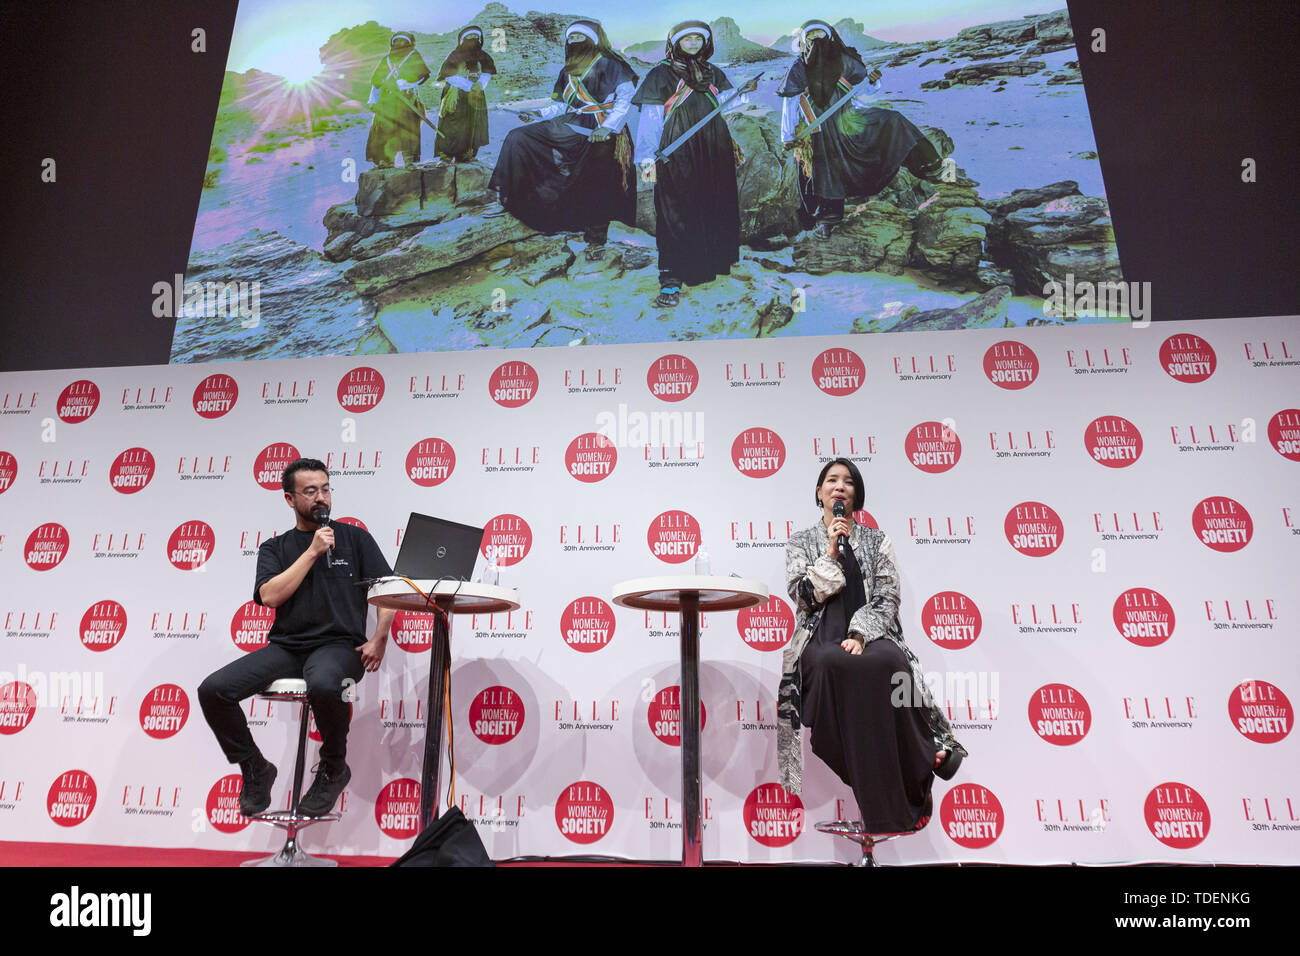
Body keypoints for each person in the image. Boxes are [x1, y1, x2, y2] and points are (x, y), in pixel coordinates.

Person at [198, 459, 395, 817]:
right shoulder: (276, 548)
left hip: (339, 647)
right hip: (288, 648)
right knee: (213, 689)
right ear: (290, 499)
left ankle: (334, 765)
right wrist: (312, 552)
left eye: (325, 489)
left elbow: (387, 591)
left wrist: (380, 637)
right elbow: (271, 596)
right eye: (310, 492)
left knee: (322, 682)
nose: (321, 498)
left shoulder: (355, 538)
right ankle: (255, 767)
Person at [777, 458, 966, 833]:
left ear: (856, 496)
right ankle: (912, 766)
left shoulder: (878, 541)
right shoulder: (800, 542)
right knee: (832, 662)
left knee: (893, 662)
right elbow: (803, 596)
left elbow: (887, 596)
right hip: (821, 639)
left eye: (848, 482)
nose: (839, 487)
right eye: (831, 480)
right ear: (819, 493)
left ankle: (924, 755)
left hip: (872, 638)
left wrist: (861, 634)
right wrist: (831, 553)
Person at [777, 20, 946, 239]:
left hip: (848, 118)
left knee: (892, 120)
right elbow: (790, 101)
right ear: (803, 42)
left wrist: (872, 82)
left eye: (821, 37)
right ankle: (828, 219)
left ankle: (928, 165)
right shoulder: (799, 68)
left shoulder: (845, 61)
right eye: (811, 38)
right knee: (822, 160)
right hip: (815, 125)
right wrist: (788, 134)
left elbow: (859, 89)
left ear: (830, 39)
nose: (817, 42)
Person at [487, 19, 638, 260]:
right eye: (572, 37)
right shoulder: (567, 70)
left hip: (603, 127)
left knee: (597, 179)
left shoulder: (613, 65)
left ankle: (596, 239)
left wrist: (607, 128)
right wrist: (538, 114)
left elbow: (624, 101)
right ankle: (517, 199)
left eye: (581, 37)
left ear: (595, 39)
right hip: (574, 123)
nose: (576, 41)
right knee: (519, 138)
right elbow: (560, 105)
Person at [632, 20, 741, 307]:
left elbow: (729, 107)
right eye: (687, 39)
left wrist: (745, 95)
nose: (693, 43)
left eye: (698, 39)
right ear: (675, 42)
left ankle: (709, 263)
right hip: (675, 151)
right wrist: (646, 158)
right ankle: (670, 278)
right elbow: (651, 120)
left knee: (713, 203)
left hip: (714, 148)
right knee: (675, 210)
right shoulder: (660, 74)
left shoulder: (713, 72)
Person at [365, 31, 432, 168]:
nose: (399, 44)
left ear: (409, 43)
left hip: (406, 100)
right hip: (386, 102)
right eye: (397, 41)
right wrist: (373, 99)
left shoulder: (413, 56)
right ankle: (387, 160)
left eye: (403, 41)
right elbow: (376, 82)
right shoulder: (387, 59)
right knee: (385, 130)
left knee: (407, 130)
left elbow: (422, 76)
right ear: (392, 43)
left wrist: (403, 83)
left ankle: (409, 160)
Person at [434, 25, 497, 162]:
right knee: (453, 125)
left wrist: (480, 84)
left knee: (474, 124)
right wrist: (469, 86)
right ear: (462, 40)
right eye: (469, 38)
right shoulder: (454, 55)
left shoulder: (484, 56)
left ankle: (468, 154)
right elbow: (449, 75)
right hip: (457, 95)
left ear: (480, 39)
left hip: (476, 95)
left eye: (475, 37)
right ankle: (447, 155)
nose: (472, 40)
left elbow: (487, 72)